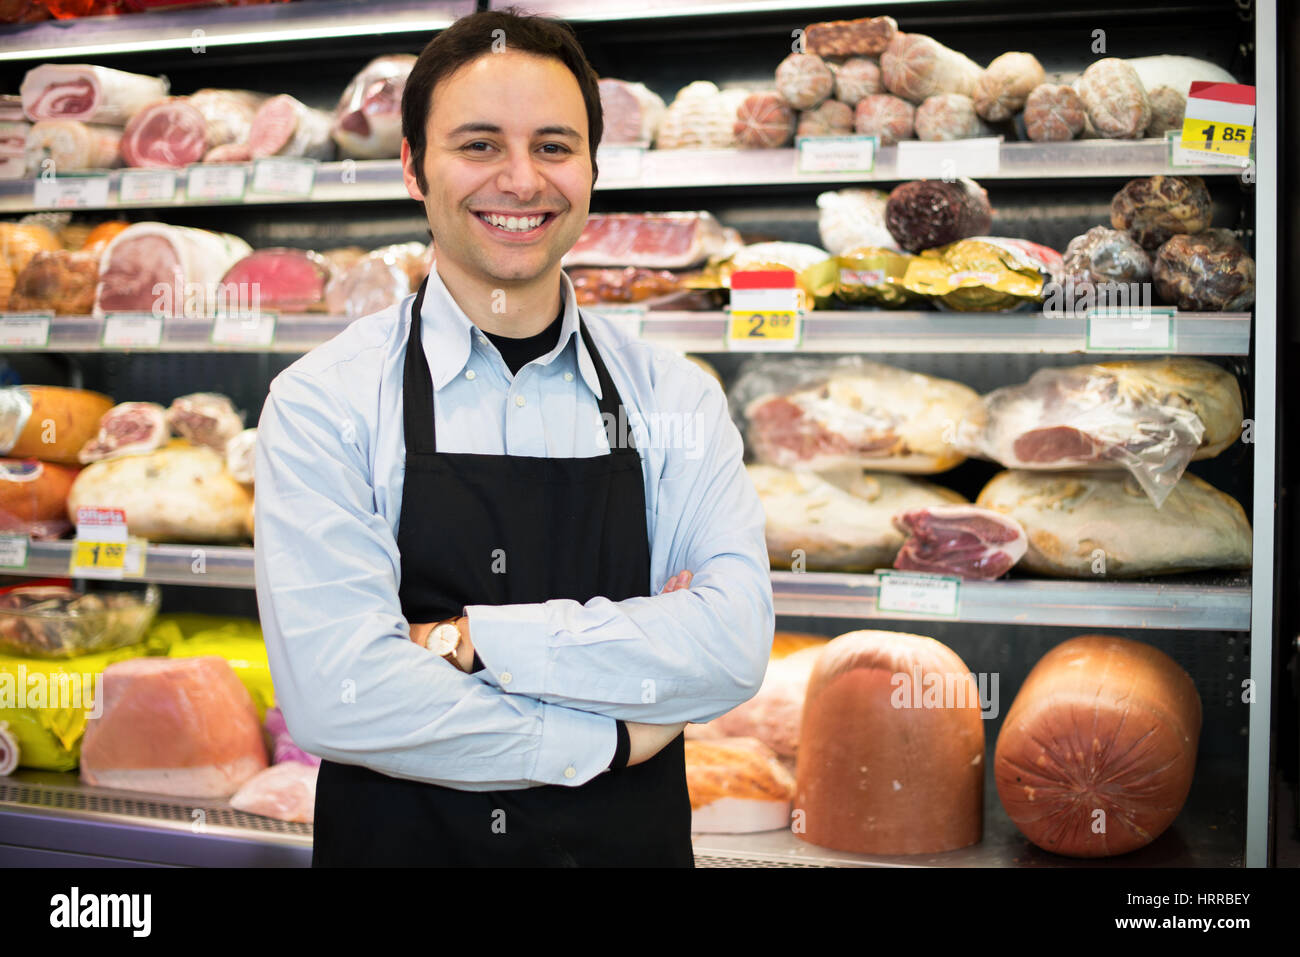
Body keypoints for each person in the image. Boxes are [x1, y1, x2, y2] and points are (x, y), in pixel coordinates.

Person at [254, 8, 774, 867]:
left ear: (594, 170)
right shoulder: (323, 402)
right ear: (415, 169)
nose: (523, 179)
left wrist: (464, 640)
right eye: (481, 145)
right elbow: (338, 696)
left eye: (555, 147)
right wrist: (609, 733)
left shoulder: (675, 396)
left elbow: (727, 648)